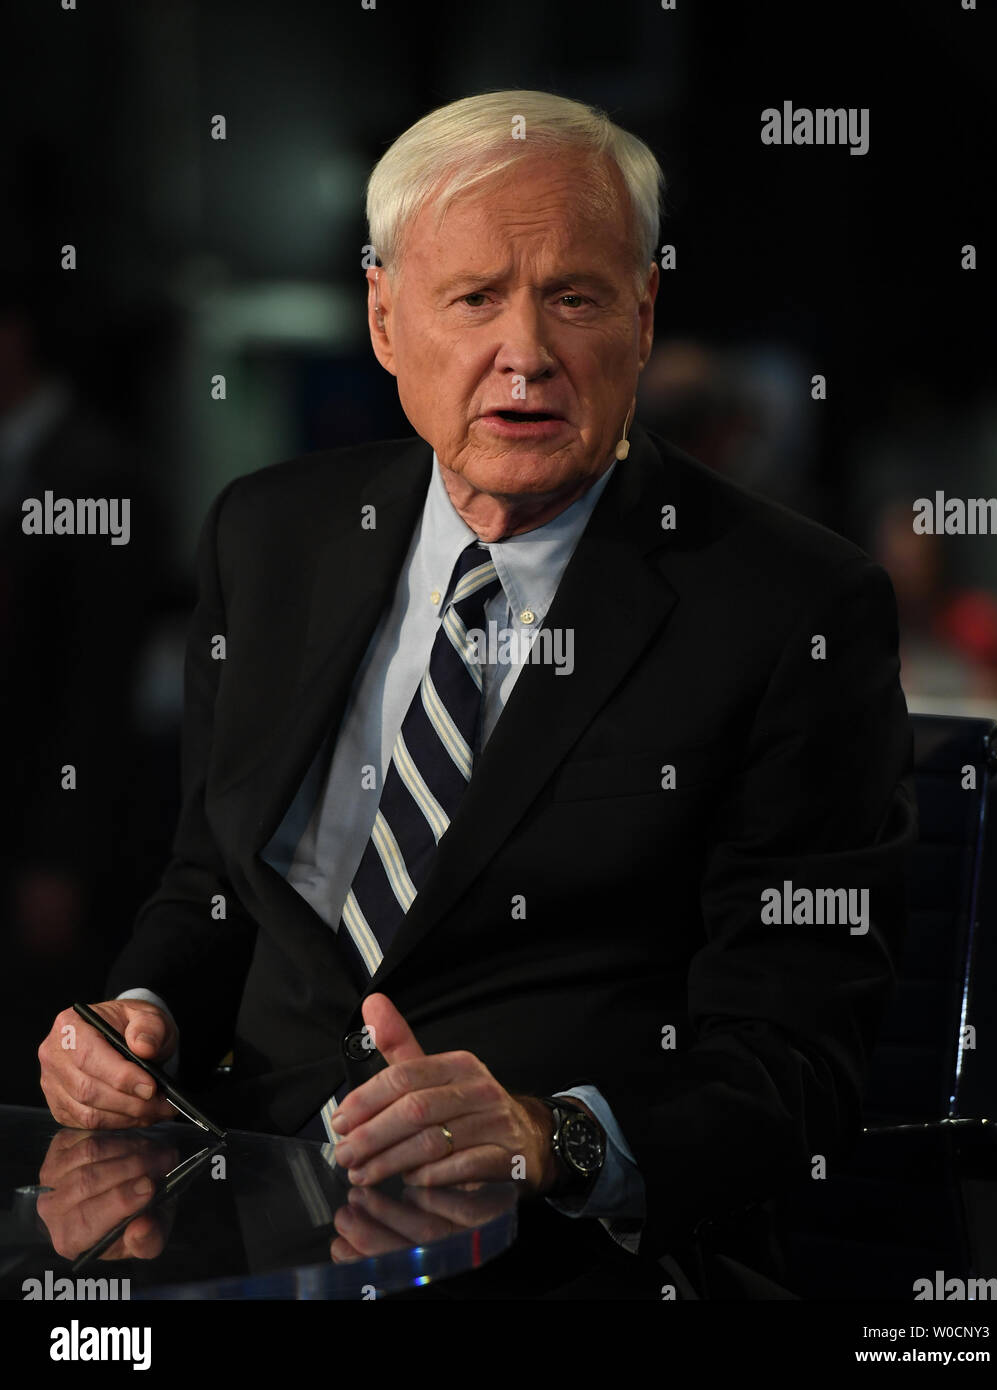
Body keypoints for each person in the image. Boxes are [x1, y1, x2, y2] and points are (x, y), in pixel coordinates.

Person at [37, 90, 916, 1299]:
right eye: (473, 298)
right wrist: (135, 1016)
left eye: (574, 296)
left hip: (555, 1261)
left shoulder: (789, 610)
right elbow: (215, 885)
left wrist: (551, 1137)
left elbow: (793, 1062)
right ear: (384, 317)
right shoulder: (270, 536)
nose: (526, 354)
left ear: (643, 317)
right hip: (249, 1215)